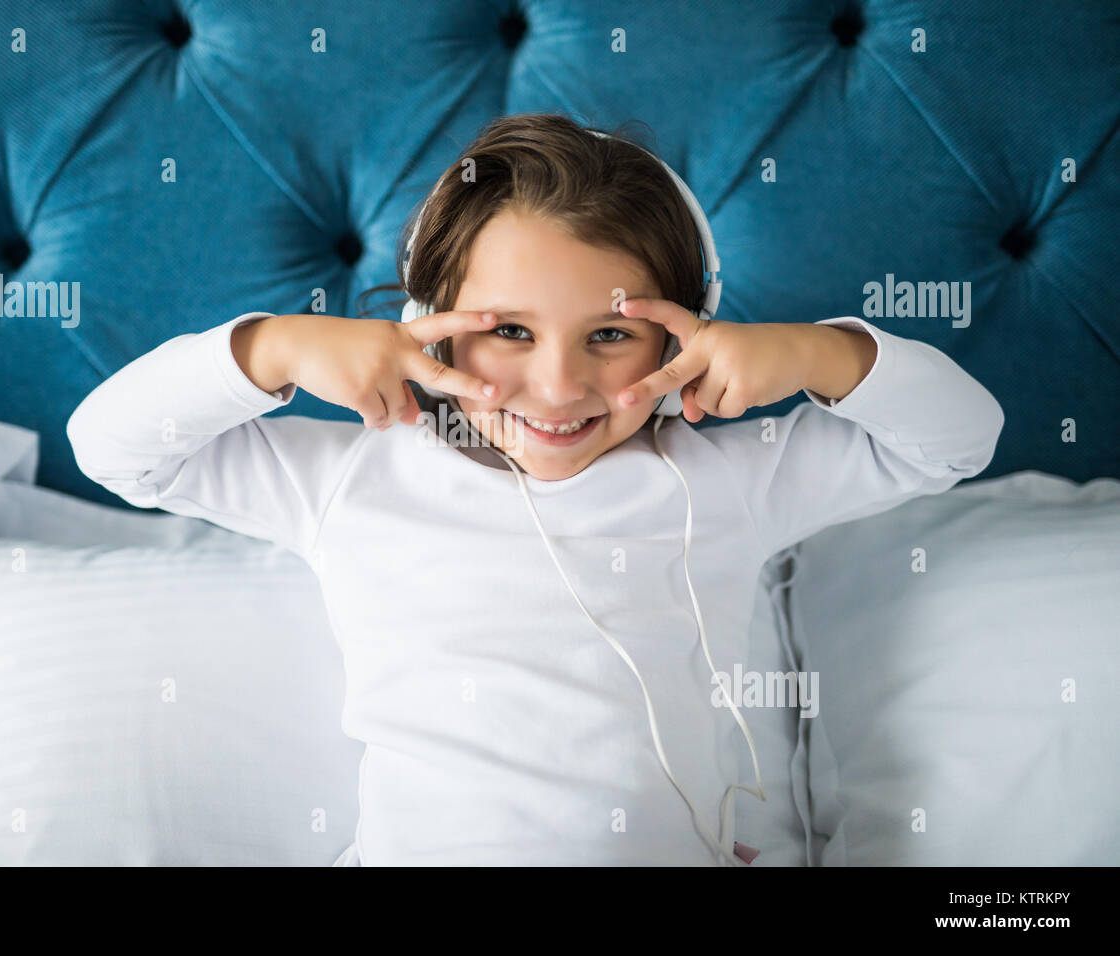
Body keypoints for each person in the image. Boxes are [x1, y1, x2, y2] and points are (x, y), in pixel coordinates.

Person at [67, 113, 1004, 866]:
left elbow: (955, 443)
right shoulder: (355, 470)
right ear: (427, 329)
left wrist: (822, 352)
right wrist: (269, 348)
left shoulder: (728, 475)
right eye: (509, 331)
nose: (558, 388)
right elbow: (114, 450)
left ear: (685, 340)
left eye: (609, 334)